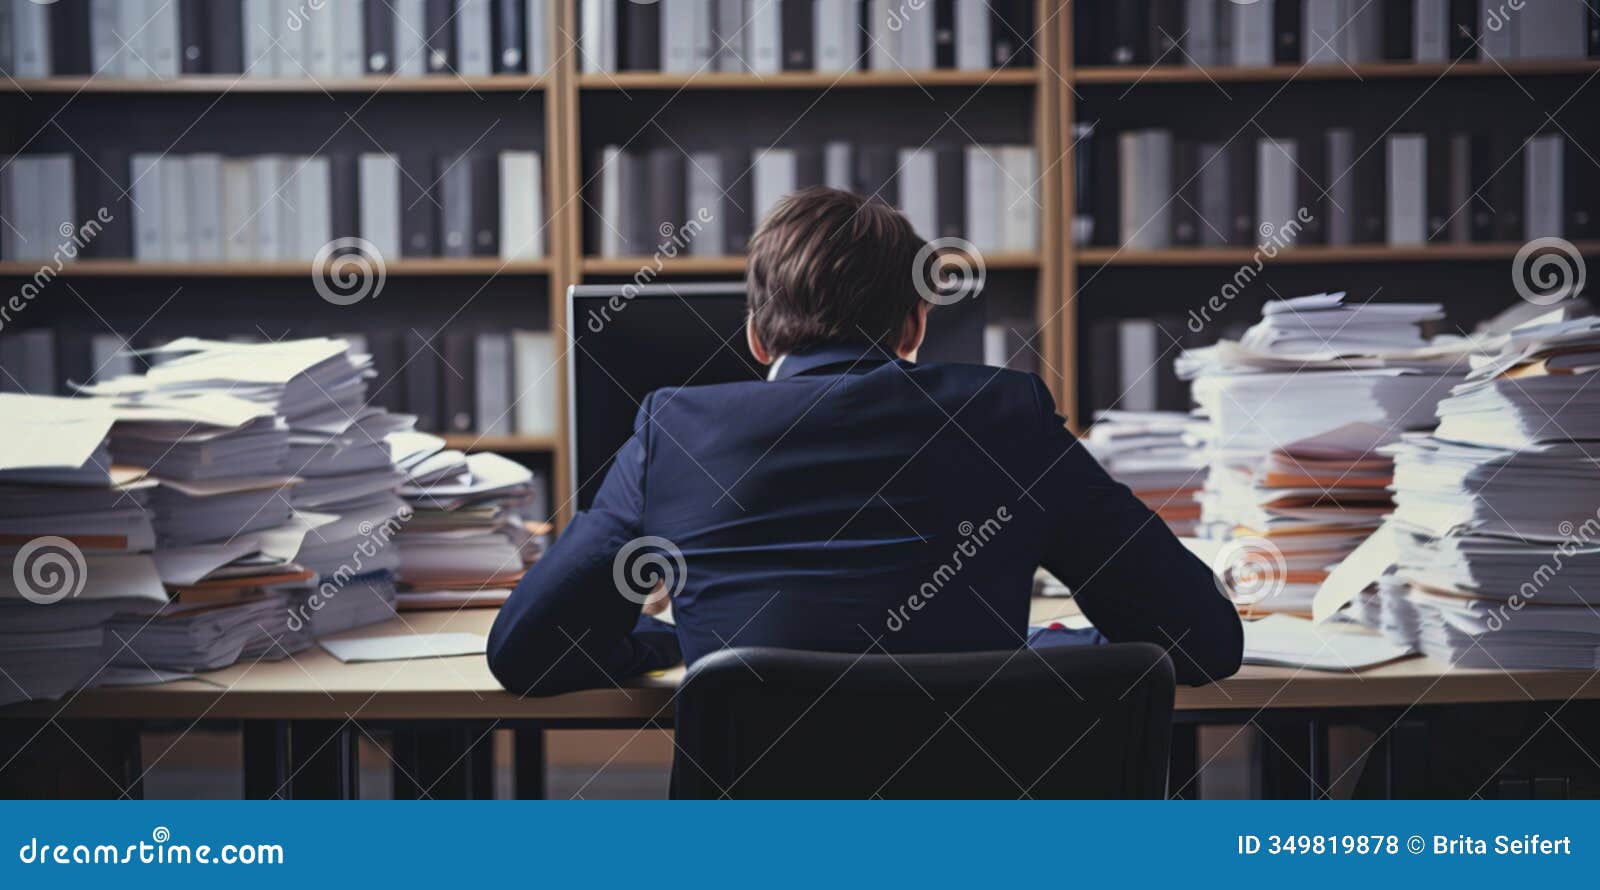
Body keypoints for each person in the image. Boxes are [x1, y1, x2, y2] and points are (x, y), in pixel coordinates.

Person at [488, 186, 1242, 696]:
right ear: (915, 324)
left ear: (754, 335)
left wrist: (682, 645)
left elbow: (524, 653)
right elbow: (1203, 641)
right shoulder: (1007, 414)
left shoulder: (671, 430)